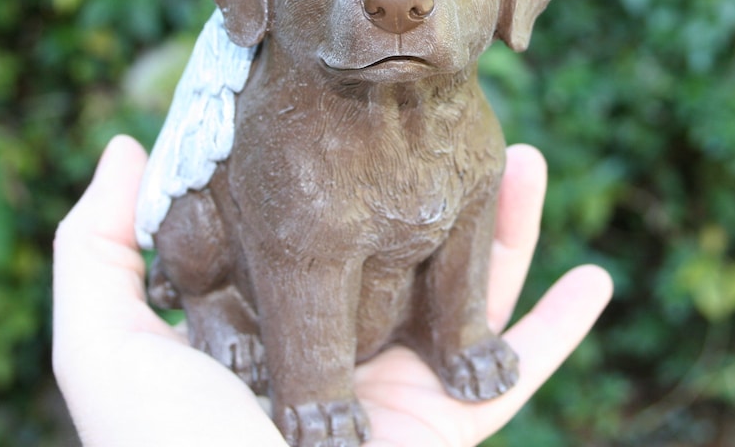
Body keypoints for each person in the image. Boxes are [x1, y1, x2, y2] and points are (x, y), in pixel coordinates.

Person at [52, 135, 613, 446]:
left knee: (470, 201)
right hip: (245, 278)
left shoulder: (473, 136)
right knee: (205, 226)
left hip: (389, 310)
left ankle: (448, 332)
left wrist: (462, 332)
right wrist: (315, 390)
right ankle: (220, 306)